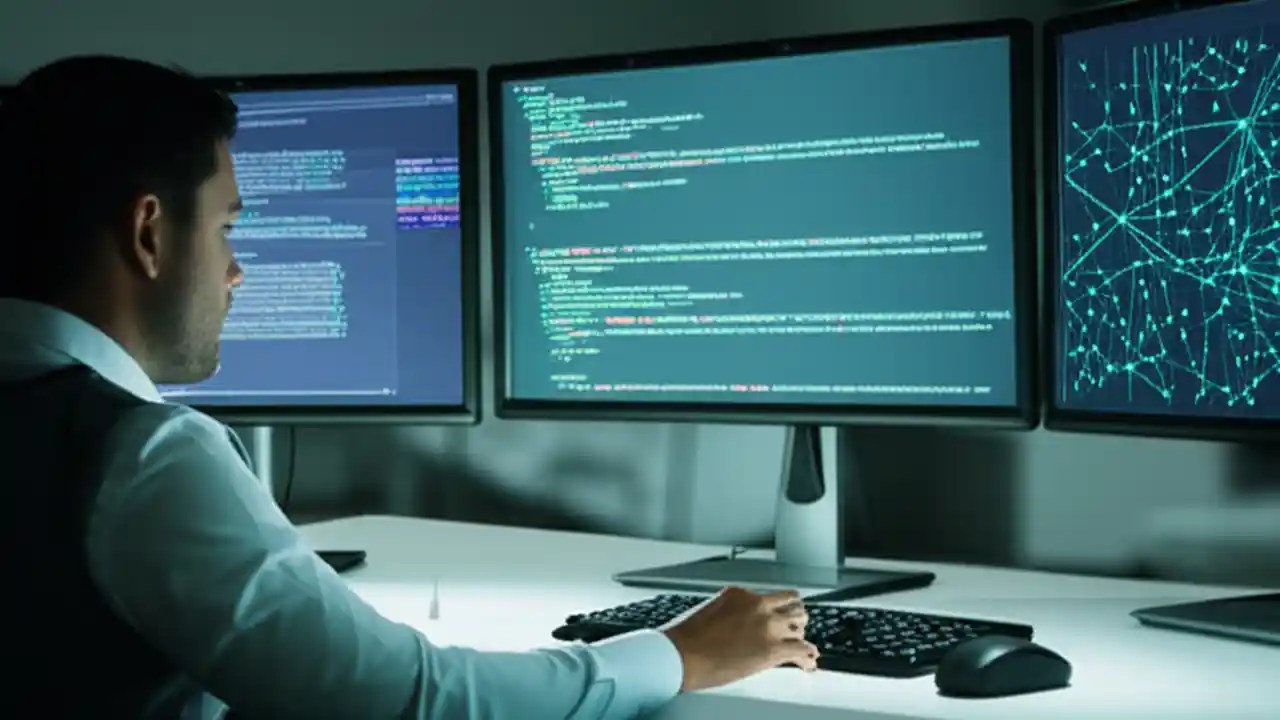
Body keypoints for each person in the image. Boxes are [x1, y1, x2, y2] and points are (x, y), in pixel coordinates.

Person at [0, 55, 819, 719]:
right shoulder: (143, 456)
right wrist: (680, 654)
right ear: (149, 234)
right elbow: (407, 701)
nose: (236, 271)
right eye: (226, 226)